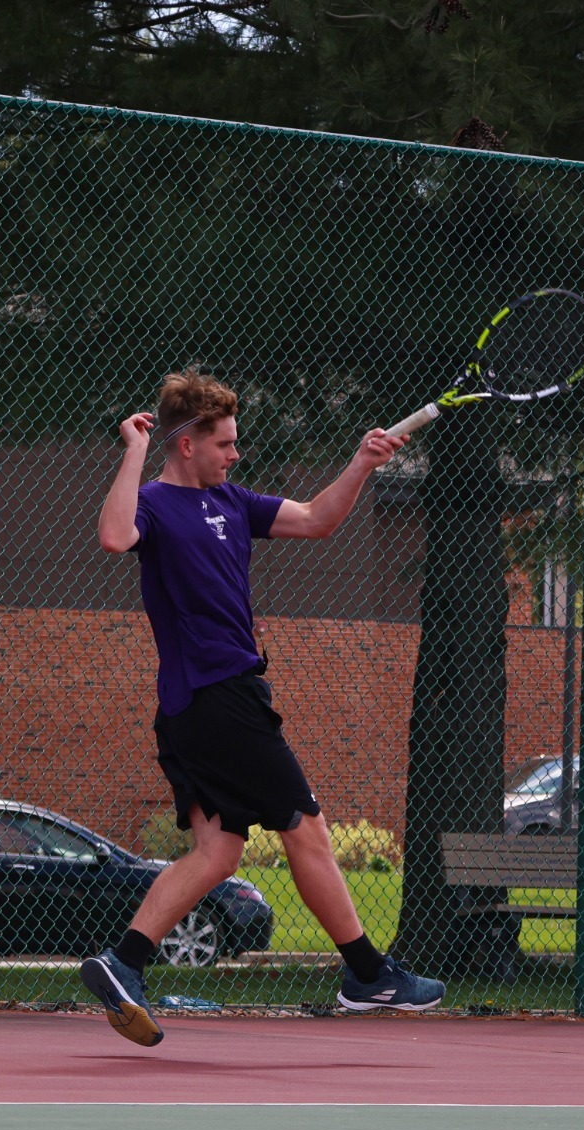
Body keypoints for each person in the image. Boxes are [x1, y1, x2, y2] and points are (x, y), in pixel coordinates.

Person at [80, 369, 447, 1047]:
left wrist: (362, 463)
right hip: (219, 698)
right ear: (186, 443)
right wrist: (134, 450)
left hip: (200, 708)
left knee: (218, 853)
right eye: (224, 443)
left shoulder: (233, 502)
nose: (235, 453)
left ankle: (124, 963)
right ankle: (368, 974)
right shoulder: (154, 504)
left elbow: (316, 520)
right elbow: (113, 536)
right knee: (305, 826)